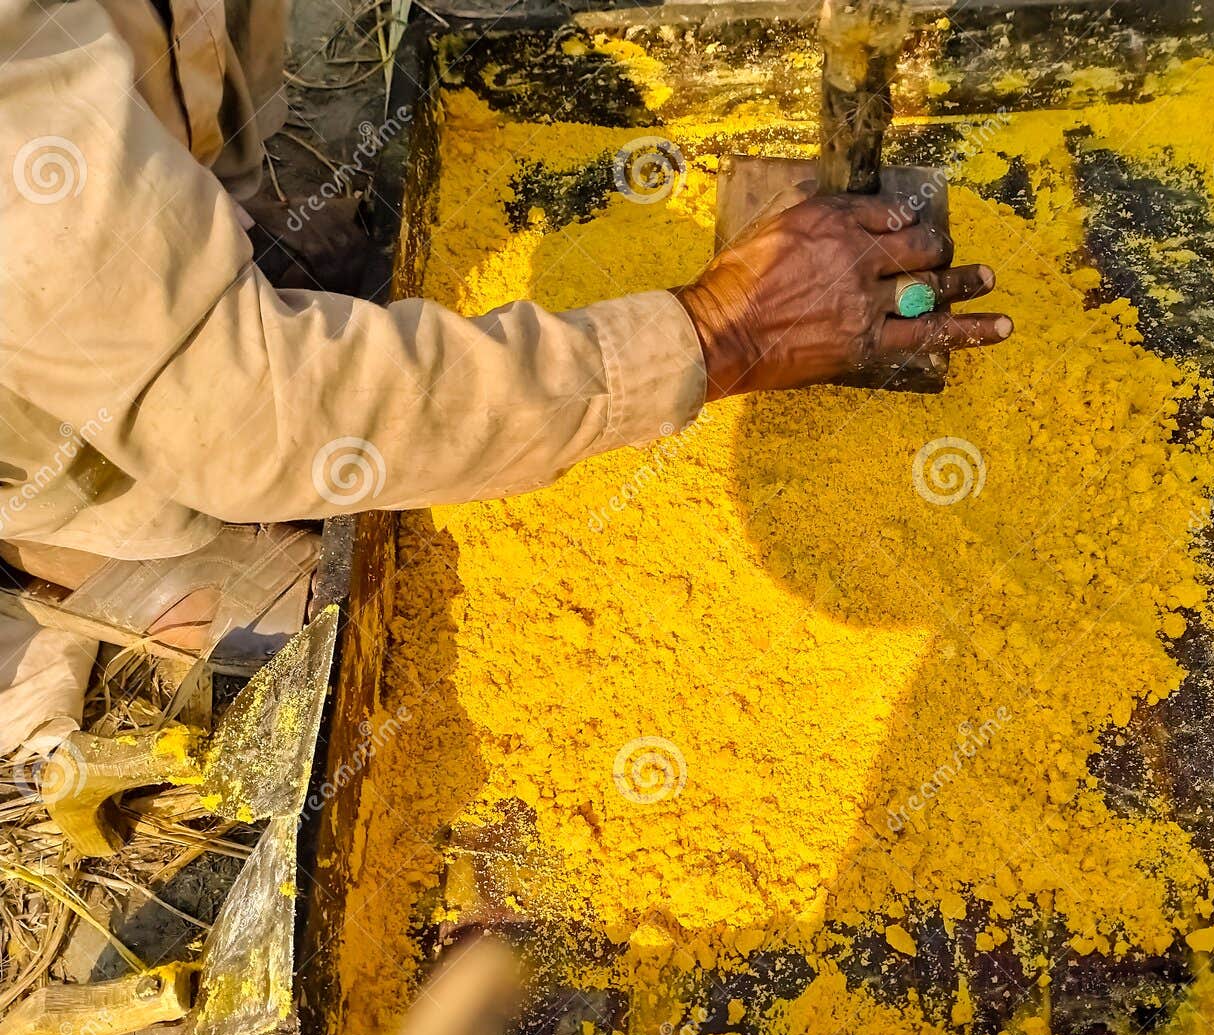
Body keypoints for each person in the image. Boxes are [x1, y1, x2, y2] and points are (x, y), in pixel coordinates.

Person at [0, 0, 1011, 759]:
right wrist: (722, 331)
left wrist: (198, 224)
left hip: (139, 235)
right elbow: (241, 417)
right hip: (78, 439)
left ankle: (205, 263)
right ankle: (69, 551)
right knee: (324, 620)